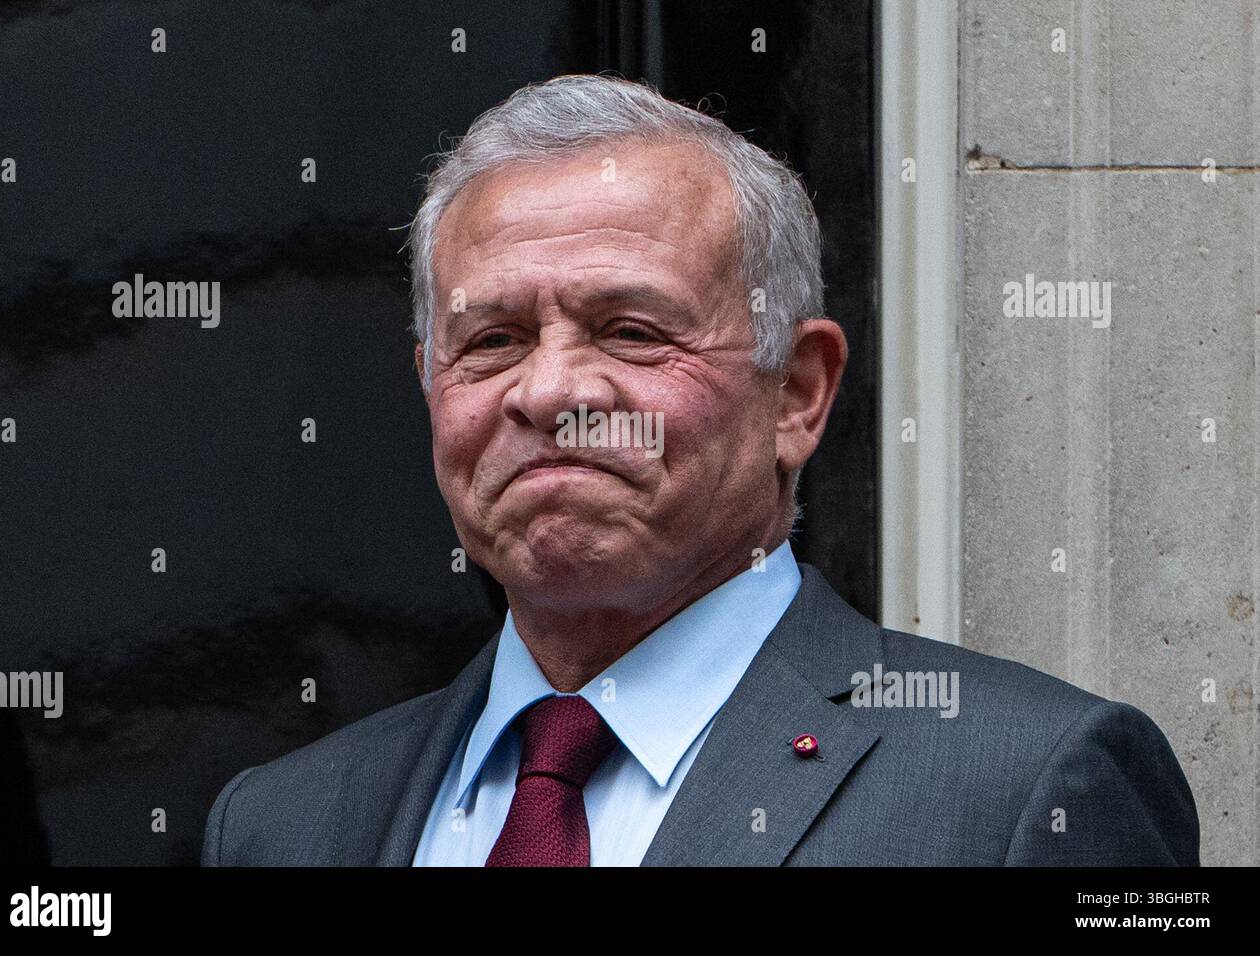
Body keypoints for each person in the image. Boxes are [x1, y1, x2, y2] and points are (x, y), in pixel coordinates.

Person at [202, 74, 1198, 866]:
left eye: (631, 330)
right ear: (430, 383)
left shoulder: (1027, 786)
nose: (548, 392)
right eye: (494, 339)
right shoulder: (282, 825)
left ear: (798, 391)